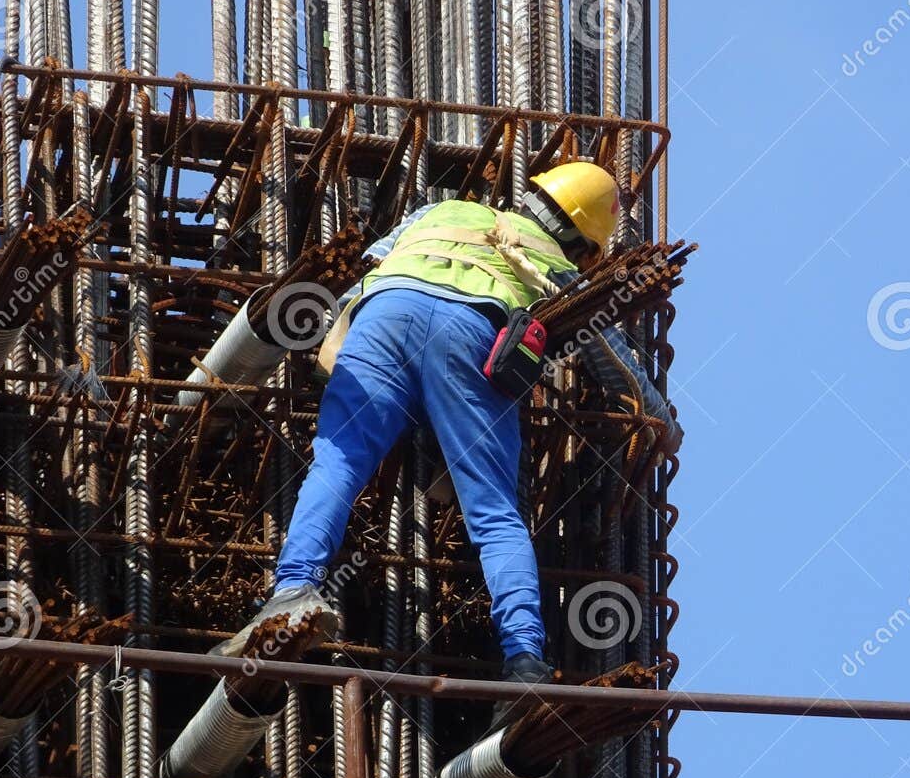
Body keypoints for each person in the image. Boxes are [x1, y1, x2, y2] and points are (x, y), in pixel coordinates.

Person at [215, 161, 680, 685]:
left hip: (382, 317)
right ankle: (524, 657)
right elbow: (614, 363)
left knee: (338, 464)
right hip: (470, 336)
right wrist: (662, 423)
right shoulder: (556, 265)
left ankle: (293, 590)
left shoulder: (441, 211)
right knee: (495, 511)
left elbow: (370, 260)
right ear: (578, 241)